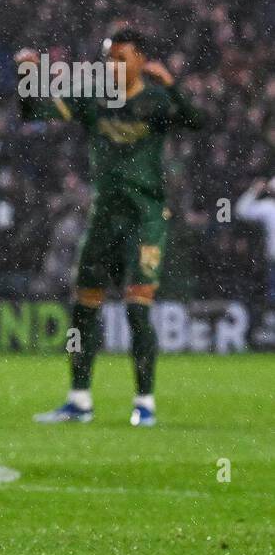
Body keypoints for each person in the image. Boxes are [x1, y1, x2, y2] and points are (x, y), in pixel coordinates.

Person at [22, 31, 205, 427]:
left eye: (121, 58)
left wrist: (173, 85)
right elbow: (33, 113)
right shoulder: (93, 97)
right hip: (104, 217)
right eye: (109, 59)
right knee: (84, 308)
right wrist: (27, 77)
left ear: (141, 60)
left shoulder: (156, 101)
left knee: (138, 309)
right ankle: (79, 400)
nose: (113, 66)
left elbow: (198, 122)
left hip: (145, 218)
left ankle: (144, 404)